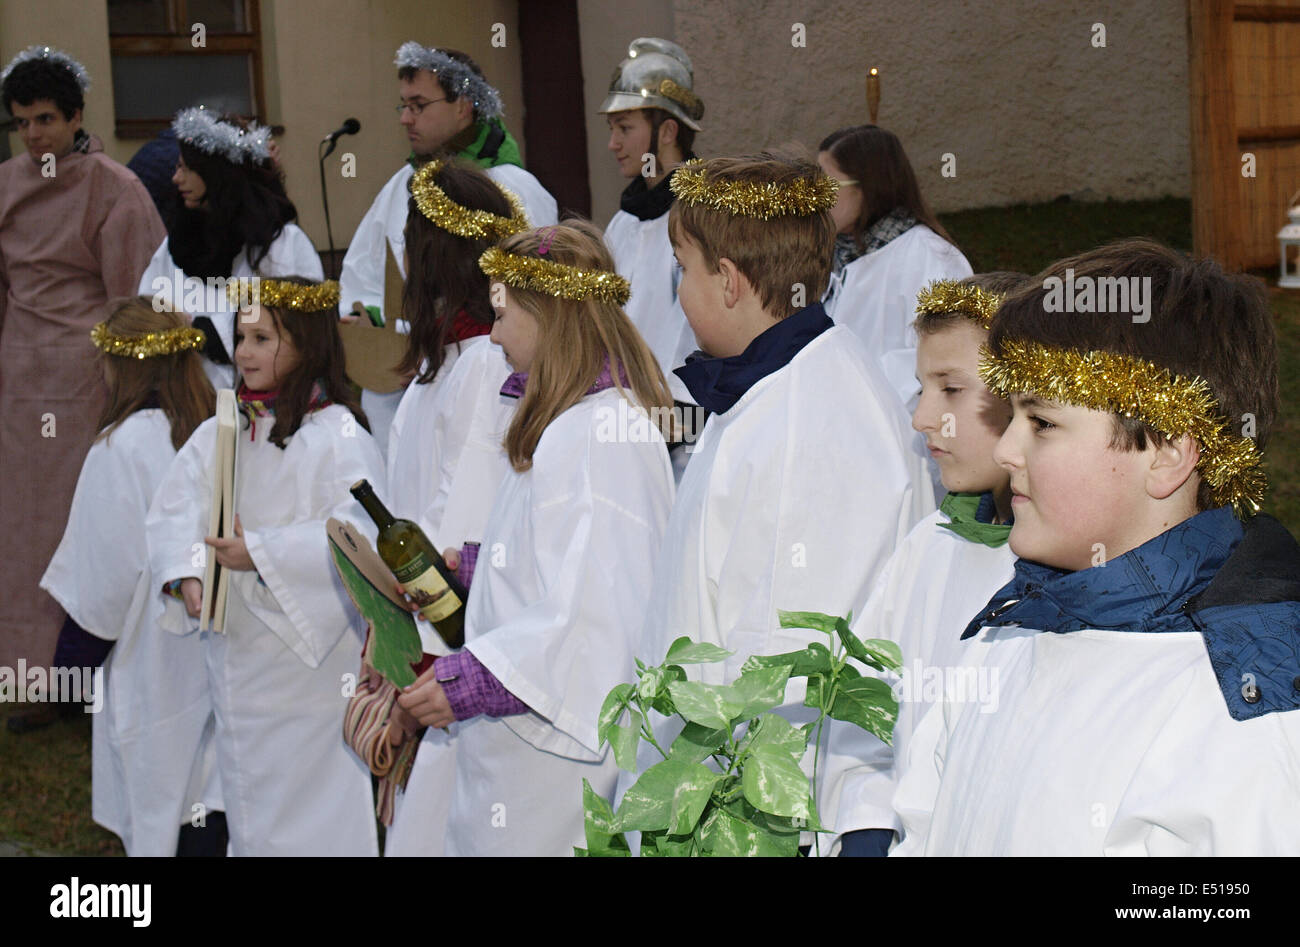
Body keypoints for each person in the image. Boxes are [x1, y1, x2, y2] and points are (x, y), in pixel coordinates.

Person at [893, 239, 1300, 856]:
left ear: (1166, 453)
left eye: (1043, 423)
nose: (1006, 452)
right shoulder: (1012, 630)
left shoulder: (1246, 710)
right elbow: (926, 825)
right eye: (1010, 419)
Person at [627, 155, 933, 839]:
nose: (677, 290)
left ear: (729, 282)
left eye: (683, 268)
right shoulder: (789, 379)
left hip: (757, 820)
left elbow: (777, 675)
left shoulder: (807, 424)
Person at [386, 222, 676, 856]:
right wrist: (476, 567)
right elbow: (565, 560)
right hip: (521, 752)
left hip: (557, 768)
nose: (490, 333)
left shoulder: (601, 436)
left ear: (549, 314)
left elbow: (598, 615)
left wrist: (470, 679)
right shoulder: (573, 424)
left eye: (501, 311)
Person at [146, 277, 384, 856]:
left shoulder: (338, 435)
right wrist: (188, 576)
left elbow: (359, 530)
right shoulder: (220, 432)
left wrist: (264, 552)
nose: (244, 352)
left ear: (305, 343)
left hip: (310, 669)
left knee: (313, 811)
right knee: (249, 803)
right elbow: (175, 508)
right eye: (240, 337)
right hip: (238, 661)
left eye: (261, 338)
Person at [820, 273, 1028, 857]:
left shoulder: (1075, 576)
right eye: (921, 388)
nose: (921, 417)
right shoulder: (930, 546)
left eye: (952, 389)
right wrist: (866, 828)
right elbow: (864, 709)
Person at [0, 45, 166, 690]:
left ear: (75, 118)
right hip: (20, 378)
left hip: (90, 380)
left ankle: (89, 670)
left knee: (87, 523)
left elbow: (135, 300)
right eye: (22, 122)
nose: (35, 134)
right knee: (23, 527)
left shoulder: (116, 189)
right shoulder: (6, 184)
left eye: (45, 119)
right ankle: (29, 674)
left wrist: (134, 391)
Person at [39, 298, 224, 855]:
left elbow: (103, 586)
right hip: (224, 658)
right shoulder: (218, 428)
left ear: (121, 364)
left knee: (164, 810)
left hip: (156, 668)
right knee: (214, 798)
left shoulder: (119, 448)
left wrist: (67, 674)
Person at [339, 42, 558, 454]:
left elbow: (538, 293)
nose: (406, 118)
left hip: (490, 373)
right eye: (402, 106)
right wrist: (370, 325)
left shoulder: (514, 187)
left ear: (465, 105)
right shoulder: (398, 186)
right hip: (401, 386)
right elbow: (362, 280)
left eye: (419, 105)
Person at [383, 157, 525, 550]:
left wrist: (410, 568)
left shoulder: (488, 360)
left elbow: (467, 498)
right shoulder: (447, 358)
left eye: (407, 241)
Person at [138, 107, 322, 391]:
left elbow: (306, 330)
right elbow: (147, 307)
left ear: (216, 175)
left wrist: (220, 335)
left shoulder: (282, 244)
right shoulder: (176, 244)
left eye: (187, 168)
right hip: (187, 402)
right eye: (177, 167)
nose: (176, 178)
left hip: (266, 407)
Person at [818, 125, 972, 413]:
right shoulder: (837, 253)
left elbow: (943, 363)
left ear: (869, 186)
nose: (818, 197)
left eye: (829, 185)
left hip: (902, 436)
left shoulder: (932, 259)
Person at [599, 38, 704, 416]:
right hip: (626, 411)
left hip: (684, 417)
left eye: (624, 128)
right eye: (612, 129)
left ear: (668, 131)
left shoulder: (703, 216)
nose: (613, 144)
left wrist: (678, 420)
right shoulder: (623, 222)